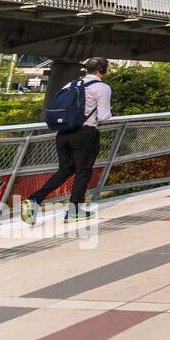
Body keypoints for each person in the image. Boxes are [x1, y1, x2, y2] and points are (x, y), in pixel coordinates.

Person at [22, 57, 112, 224]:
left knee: (65, 170)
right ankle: (74, 211)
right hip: (85, 134)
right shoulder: (102, 87)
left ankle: (34, 200)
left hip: (63, 133)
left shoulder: (71, 84)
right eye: (108, 68)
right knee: (83, 172)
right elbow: (104, 116)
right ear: (102, 70)